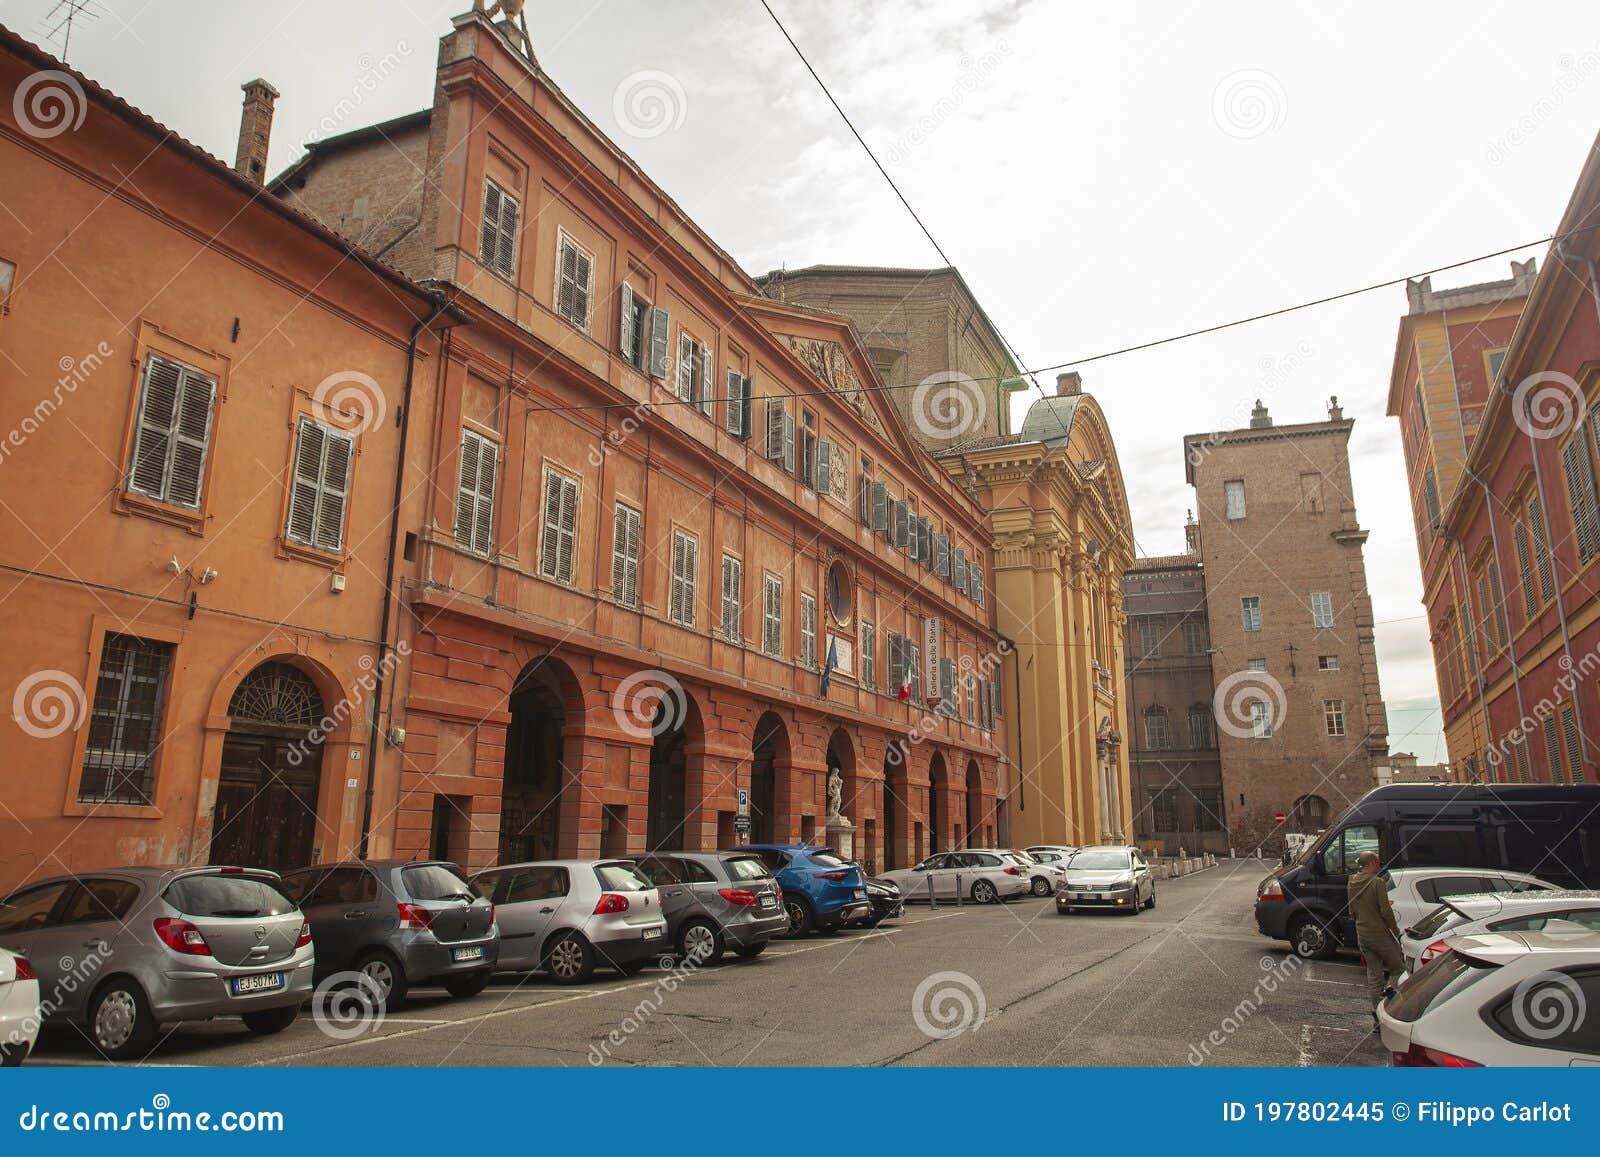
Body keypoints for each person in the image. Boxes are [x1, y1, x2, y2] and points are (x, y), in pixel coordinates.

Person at [1347, 850, 1404, 1030]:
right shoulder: (1377, 883)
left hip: (1362, 933)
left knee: (1374, 974)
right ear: (1371, 863)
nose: (1379, 865)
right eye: (1377, 862)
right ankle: (1388, 1002)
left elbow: (1352, 911)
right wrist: (1396, 931)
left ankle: (1377, 1012)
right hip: (1380, 933)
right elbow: (1385, 911)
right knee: (1398, 968)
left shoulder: (1352, 882)